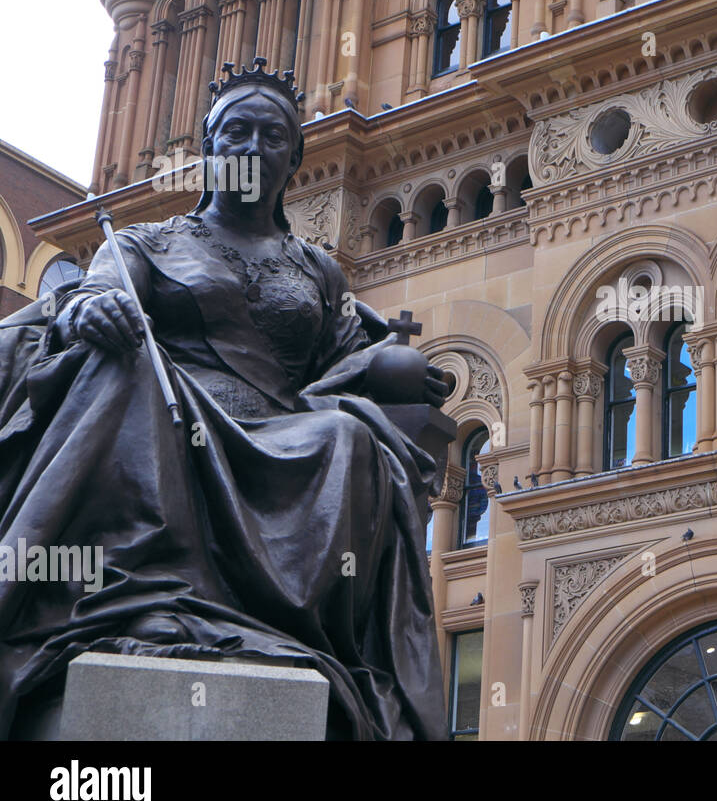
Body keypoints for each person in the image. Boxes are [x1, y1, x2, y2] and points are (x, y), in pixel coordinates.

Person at [0, 59, 451, 739]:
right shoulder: (147, 243)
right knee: (129, 369)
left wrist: (393, 366)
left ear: (293, 158)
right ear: (210, 149)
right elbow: (82, 299)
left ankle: (287, 629)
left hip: (279, 429)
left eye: (271, 136)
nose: (250, 147)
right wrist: (89, 314)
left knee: (350, 438)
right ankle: (144, 593)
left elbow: (341, 359)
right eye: (234, 132)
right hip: (165, 412)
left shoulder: (316, 268)